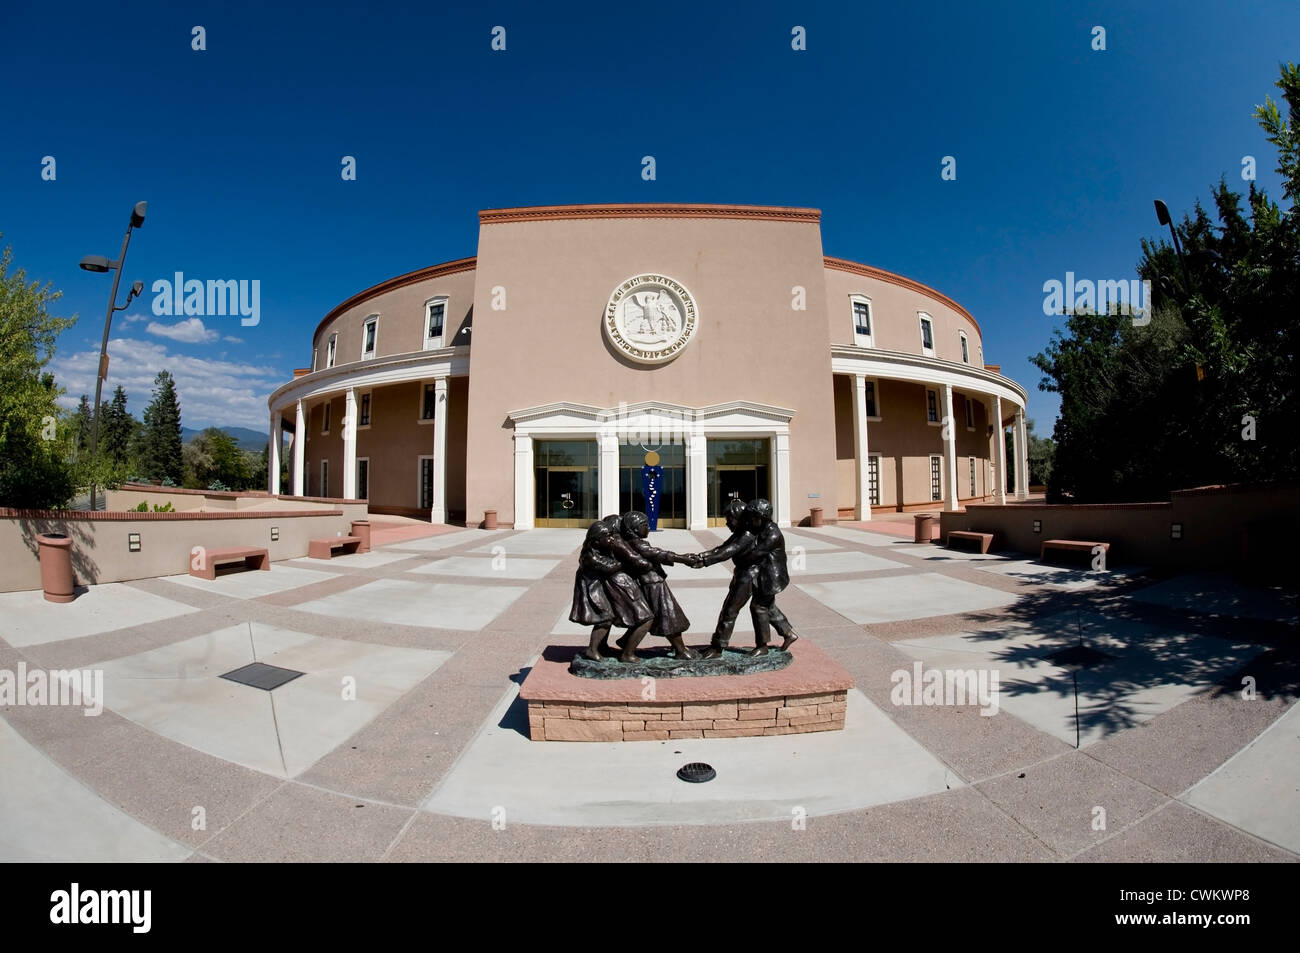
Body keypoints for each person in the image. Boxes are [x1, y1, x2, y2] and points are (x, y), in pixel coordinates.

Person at [689, 498, 797, 657]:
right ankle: (787, 633)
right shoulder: (751, 529)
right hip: (758, 574)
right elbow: (724, 548)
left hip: (766, 576)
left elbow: (741, 553)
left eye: (730, 519)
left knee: (736, 609)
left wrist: (708, 560)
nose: (727, 523)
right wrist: (703, 556)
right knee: (767, 607)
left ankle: (723, 647)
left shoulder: (763, 534)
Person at [615, 511, 700, 660]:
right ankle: (681, 650)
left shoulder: (630, 543)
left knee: (647, 617)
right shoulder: (637, 544)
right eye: (645, 525)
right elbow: (658, 553)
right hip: (653, 585)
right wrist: (683, 558)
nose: (648, 528)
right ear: (635, 529)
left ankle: (626, 643)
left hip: (647, 584)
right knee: (669, 615)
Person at [570, 520, 633, 660]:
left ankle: (601, 645)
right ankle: (592, 650)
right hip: (591, 590)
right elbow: (609, 567)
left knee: (607, 616)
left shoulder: (600, 550)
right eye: (608, 537)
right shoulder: (590, 557)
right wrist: (626, 561)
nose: (612, 539)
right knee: (605, 617)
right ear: (597, 541)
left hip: (598, 588)